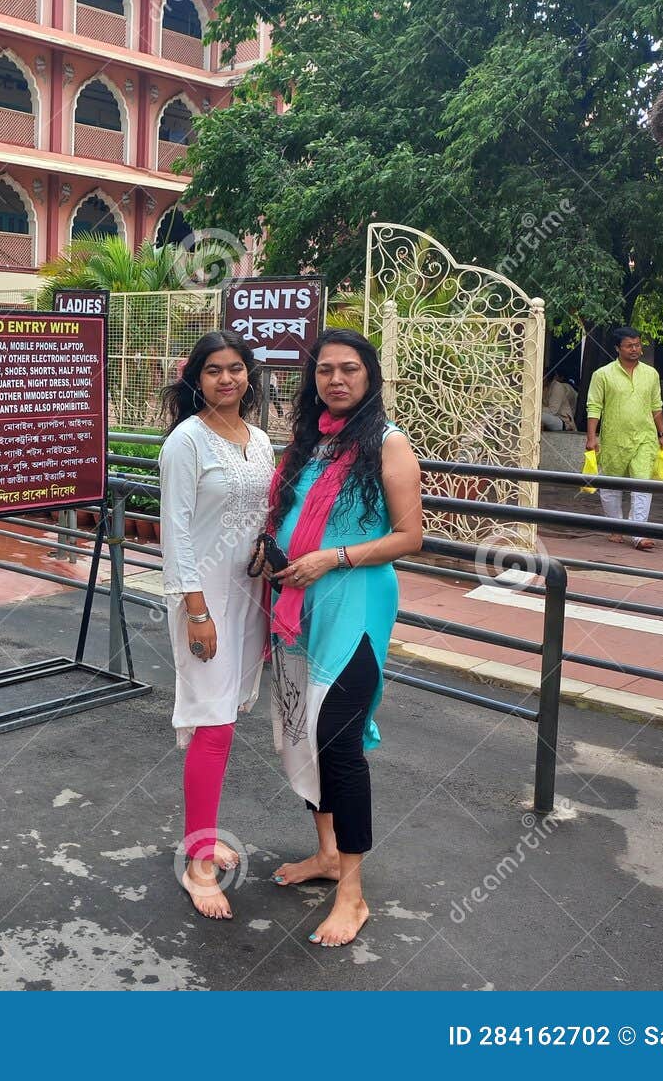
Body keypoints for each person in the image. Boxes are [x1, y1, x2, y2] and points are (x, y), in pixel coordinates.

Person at [264, 329, 423, 948]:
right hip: (296, 604)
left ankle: (352, 895)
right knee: (305, 730)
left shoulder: (389, 445)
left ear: (369, 376)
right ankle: (327, 853)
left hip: (353, 604)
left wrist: (335, 558)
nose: (336, 380)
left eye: (349, 369)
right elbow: (289, 516)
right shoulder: (308, 447)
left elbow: (410, 537)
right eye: (325, 370)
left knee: (340, 742)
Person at [158, 330, 274, 921]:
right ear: (196, 380)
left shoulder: (259, 441)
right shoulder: (186, 442)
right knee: (213, 726)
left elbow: (263, 517)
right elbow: (174, 531)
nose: (226, 379)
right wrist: (196, 610)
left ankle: (204, 835)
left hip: (249, 596)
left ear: (248, 376)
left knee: (227, 716)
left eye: (235, 369)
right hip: (202, 600)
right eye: (213, 371)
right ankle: (198, 859)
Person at [586, 327, 663, 550]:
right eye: (629, 345)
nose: (635, 349)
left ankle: (638, 534)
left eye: (638, 345)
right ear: (617, 348)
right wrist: (591, 437)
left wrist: (662, 433)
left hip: (645, 437)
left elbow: (656, 406)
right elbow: (594, 406)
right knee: (611, 486)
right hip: (613, 438)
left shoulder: (651, 374)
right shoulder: (602, 374)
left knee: (642, 483)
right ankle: (616, 526)